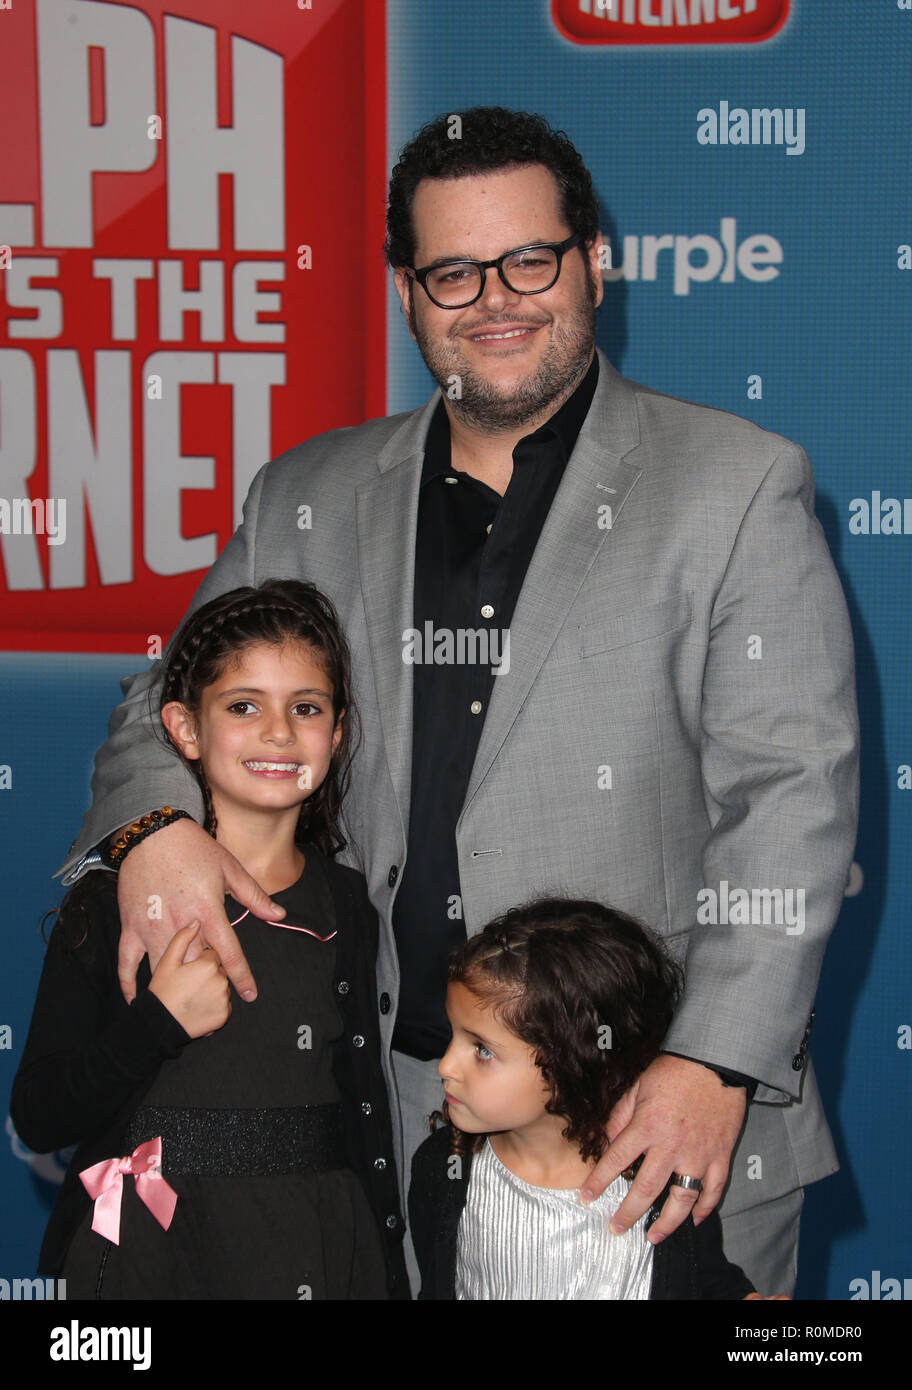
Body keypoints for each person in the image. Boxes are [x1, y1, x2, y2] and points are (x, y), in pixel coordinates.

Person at [58, 108, 859, 1295]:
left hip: (649, 1129)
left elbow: (792, 803)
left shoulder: (736, 485)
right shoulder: (307, 495)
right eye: (454, 272)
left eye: (531, 258)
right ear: (405, 291)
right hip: (386, 1141)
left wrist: (713, 1064)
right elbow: (160, 707)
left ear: (596, 258)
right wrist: (149, 833)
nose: (497, 298)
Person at [14, 581, 407, 1299]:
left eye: (307, 708)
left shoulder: (347, 903)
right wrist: (156, 1022)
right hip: (148, 1255)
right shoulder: (118, 902)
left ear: (339, 732)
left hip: (313, 1251)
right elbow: (38, 1116)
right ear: (184, 728)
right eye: (243, 706)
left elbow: (360, 1114)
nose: (279, 732)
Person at [409, 898, 788, 1300]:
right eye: (453, 1034)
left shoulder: (660, 1179)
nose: (445, 1065)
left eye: (482, 1050)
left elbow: (703, 1279)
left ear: (573, 1062)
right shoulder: (445, 1170)